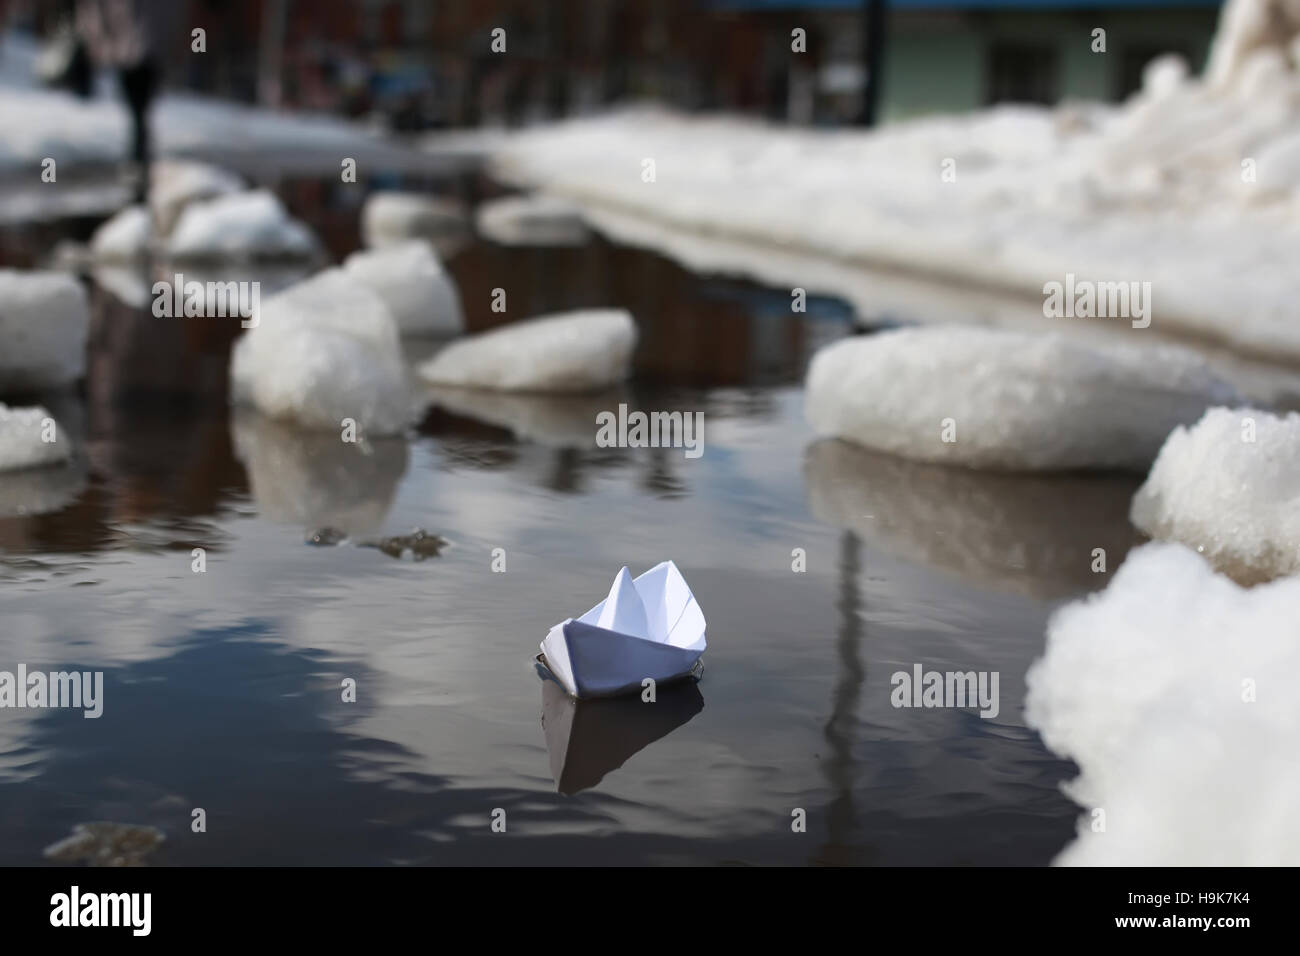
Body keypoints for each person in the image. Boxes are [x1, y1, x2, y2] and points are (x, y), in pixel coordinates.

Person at [76, 0, 182, 202]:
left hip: (140, 54)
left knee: (139, 114)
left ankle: (139, 165)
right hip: (132, 52)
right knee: (138, 115)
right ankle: (139, 164)